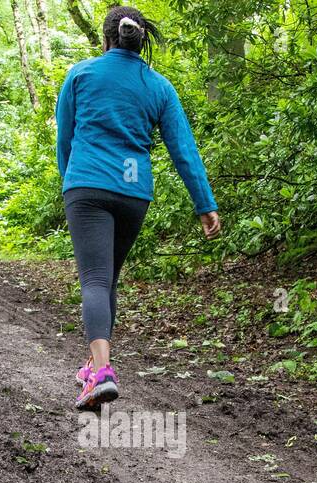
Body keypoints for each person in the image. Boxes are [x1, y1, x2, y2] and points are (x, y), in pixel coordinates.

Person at [55, 5, 222, 409]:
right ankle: (93, 368)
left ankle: (103, 372)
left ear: (106, 38)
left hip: (88, 185)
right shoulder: (159, 86)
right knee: (108, 279)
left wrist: (70, 182)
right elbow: (184, 149)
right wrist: (205, 204)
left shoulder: (81, 74)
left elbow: (66, 137)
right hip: (134, 193)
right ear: (140, 39)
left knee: (94, 279)